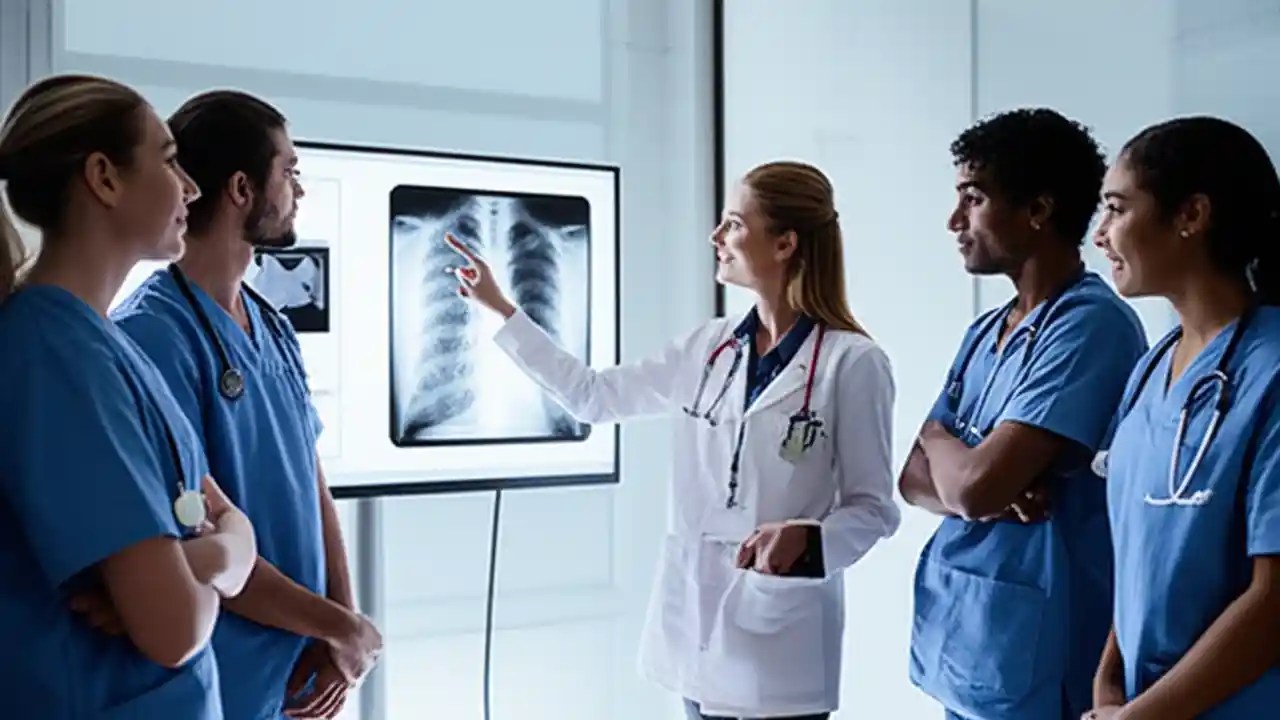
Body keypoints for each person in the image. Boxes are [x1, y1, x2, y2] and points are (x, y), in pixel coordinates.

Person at [445, 160, 900, 719]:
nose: (717, 237)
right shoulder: (709, 347)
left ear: (784, 244)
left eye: (733, 223)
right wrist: (503, 312)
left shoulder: (852, 364)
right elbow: (592, 396)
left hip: (782, 644)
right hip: (695, 635)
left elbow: (873, 510)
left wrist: (807, 542)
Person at [102, 89, 382, 719]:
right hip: (219, 683)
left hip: (299, 673)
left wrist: (339, 626)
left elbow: (312, 482)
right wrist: (335, 625)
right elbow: (191, 541)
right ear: (240, 188)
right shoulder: (152, 337)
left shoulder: (272, 325)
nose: (299, 191)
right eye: (289, 172)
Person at [0, 73, 258, 718]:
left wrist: (203, 555)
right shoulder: (53, 356)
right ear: (105, 178)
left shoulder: (106, 346)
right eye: (170, 161)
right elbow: (175, 631)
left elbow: (237, 536)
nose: (192, 189)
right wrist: (218, 554)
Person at [899, 108, 1149, 720]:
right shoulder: (986, 332)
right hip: (973, 645)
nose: (955, 221)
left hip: (1045, 652)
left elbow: (976, 485)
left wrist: (943, 442)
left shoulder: (1090, 326)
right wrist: (972, 483)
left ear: (1037, 210)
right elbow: (909, 479)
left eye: (974, 198)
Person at [1085, 117, 1280, 720]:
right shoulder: (1151, 370)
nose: (1100, 235)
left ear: (1191, 216)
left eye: (1116, 209)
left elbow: (1273, 601)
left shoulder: (1271, 370)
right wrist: (1108, 682)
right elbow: (1139, 554)